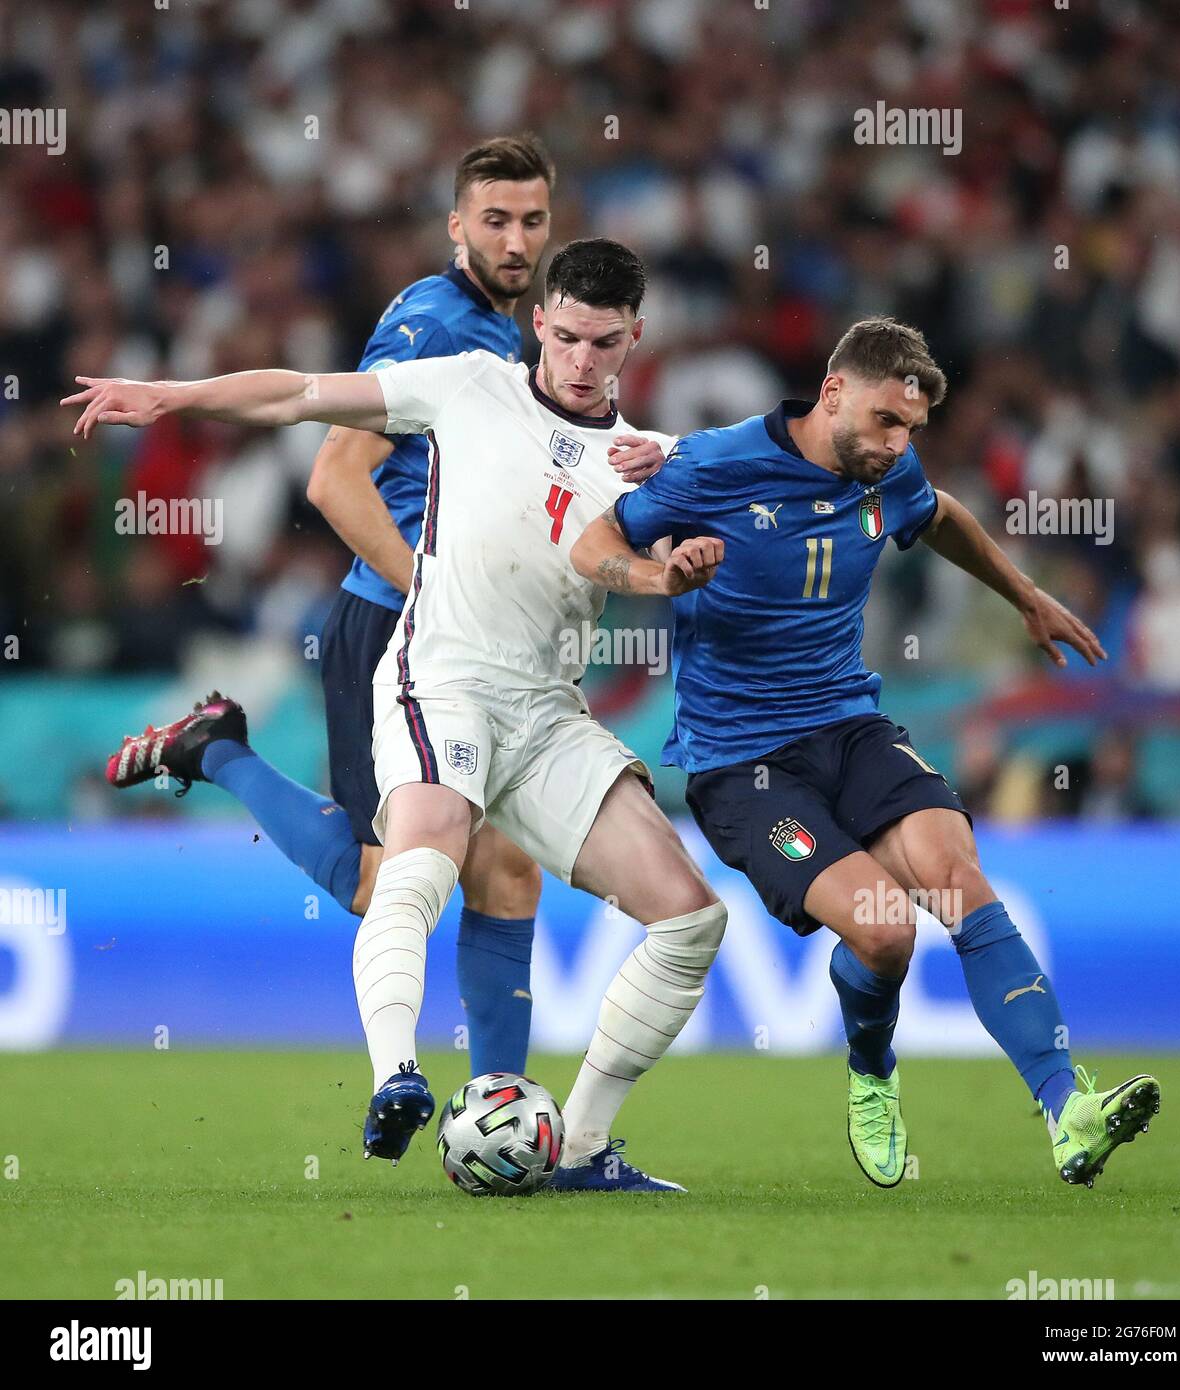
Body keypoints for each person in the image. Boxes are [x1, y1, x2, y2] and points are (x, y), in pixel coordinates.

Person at [66, 237, 728, 1193]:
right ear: (539, 322)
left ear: (636, 338)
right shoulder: (465, 384)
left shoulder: (652, 460)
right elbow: (300, 392)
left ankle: (577, 1148)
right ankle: (397, 1078)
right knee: (413, 868)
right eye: (569, 336)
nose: (583, 362)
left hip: (547, 714)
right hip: (441, 676)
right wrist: (173, 396)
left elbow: (709, 541)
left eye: (605, 344)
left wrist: (685, 560)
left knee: (689, 918)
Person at [104, 134, 661, 1081]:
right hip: (398, 628)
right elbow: (334, 479)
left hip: (472, 644)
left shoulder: (523, 331)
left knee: (508, 868)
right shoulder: (438, 327)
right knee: (382, 884)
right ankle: (216, 750)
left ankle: (503, 1108)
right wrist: (436, 591)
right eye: (495, 220)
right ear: (456, 226)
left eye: (532, 219)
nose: (517, 240)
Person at [570, 316, 1160, 1190]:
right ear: (834, 393)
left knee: (955, 878)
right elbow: (594, 544)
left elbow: (940, 513)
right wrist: (660, 579)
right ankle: (873, 1068)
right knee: (884, 934)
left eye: (912, 429)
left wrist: (1023, 594)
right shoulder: (714, 465)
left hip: (851, 726)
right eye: (886, 421)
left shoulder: (890, 471)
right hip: (743, 762)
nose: (898, 444)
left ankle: (1064, 1110)